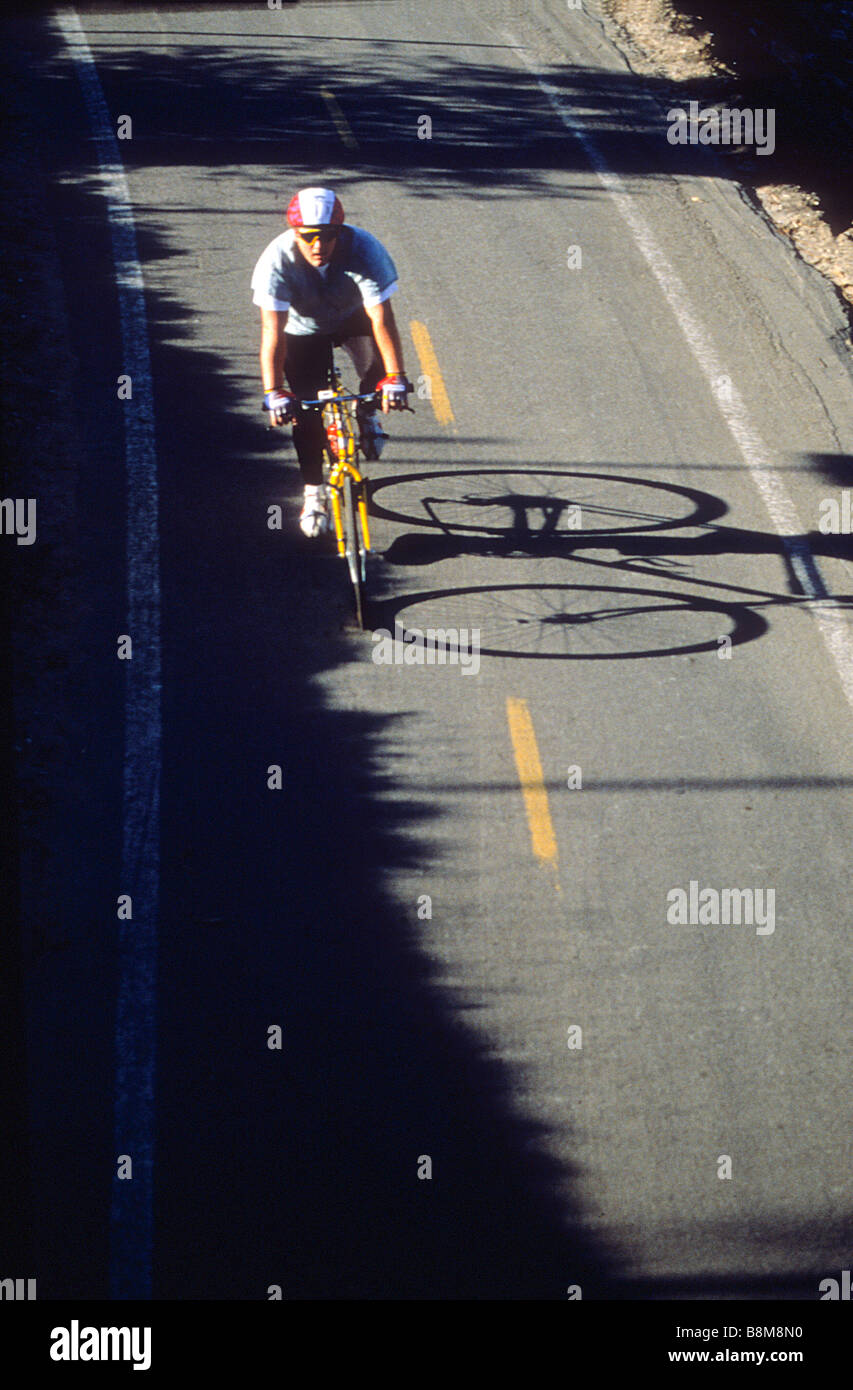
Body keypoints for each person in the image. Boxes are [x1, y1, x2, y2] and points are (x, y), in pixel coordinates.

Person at [251, 186, 412, 536]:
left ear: (341, 232)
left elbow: (383, 320)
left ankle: (366, 415)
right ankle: (313, 491)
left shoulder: (365, 249)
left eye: (328, 236)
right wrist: (275, 391)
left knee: (378, 374)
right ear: (294, 233)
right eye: (309, 238)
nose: (318, 246)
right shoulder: (276, 261)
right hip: (301, 330)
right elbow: (272, 333)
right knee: (305, 417)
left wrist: (396, 377)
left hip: (354, 318)